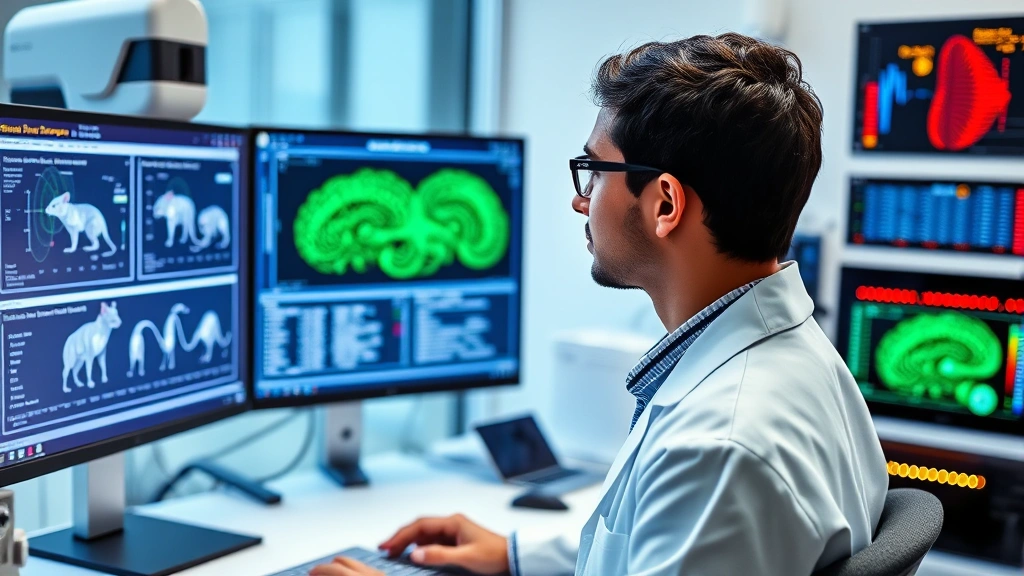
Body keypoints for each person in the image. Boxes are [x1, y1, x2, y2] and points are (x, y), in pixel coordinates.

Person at [310, 31, 888, 576]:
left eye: (593, 172)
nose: (580, 201)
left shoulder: (720, 447)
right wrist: (517, 556)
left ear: (665, 204)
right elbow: (657, 545)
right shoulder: (799, 361)